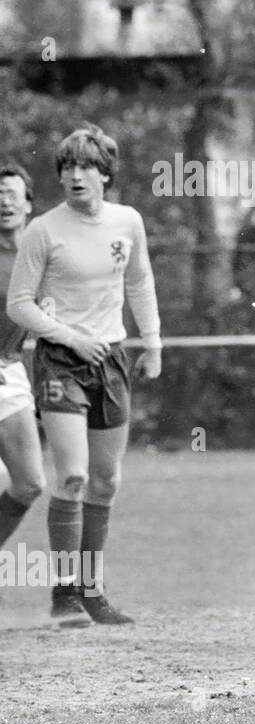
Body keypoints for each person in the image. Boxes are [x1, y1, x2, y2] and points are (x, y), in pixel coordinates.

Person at [6, 124, 162, 626]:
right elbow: (19, 305)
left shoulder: (127, 222)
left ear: (106, 174)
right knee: (71, 475)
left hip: (113, 360)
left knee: (106, 480)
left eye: (85, 167)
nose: (75, 175)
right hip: (60, 360)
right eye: (67, 167)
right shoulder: (43, 230)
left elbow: (140, 282)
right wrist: (71, 336)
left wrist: (152, 343)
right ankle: (64, 597)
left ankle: (93, 592)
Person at [0, 163, 48, 560]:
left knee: (29, 482)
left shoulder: (39, 255)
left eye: (12, 194)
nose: (4, 202)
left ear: (29, 204)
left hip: (8, 369)